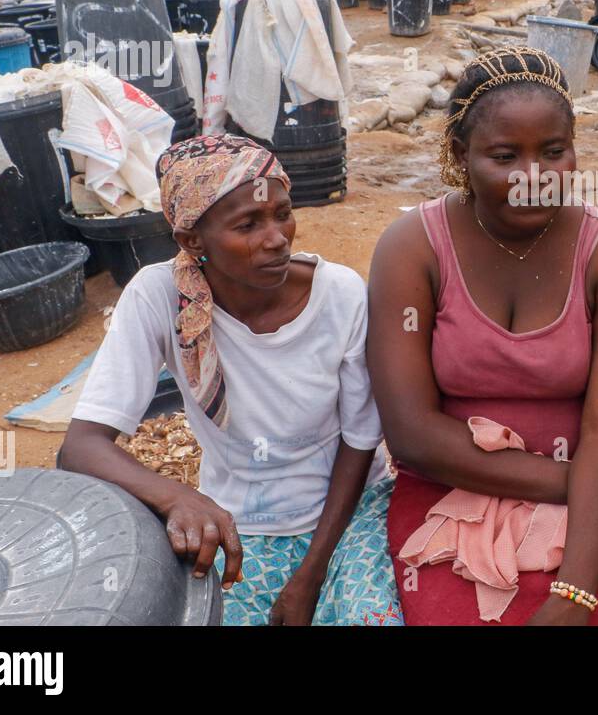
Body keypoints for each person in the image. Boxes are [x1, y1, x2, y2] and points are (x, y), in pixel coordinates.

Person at [367, 47, 598, 626]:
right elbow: (412, 434)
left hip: (596, 512)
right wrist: (583, 485)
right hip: (453, 498)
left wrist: (575, 592)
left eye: (554, 152)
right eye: (505, 156)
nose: (534, 179)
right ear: (461, 155)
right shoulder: (413, 247)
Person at [58, 135, 401, 626]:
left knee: (370, 616)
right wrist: (181, 497)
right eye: (248, 225)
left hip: (350, 512)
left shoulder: (341, 295)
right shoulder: (160, 297)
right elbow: (81, 446)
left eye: (282, 212)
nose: (278, 237)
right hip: (241, 522)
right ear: (192, 241)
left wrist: (311, 573)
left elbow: (360, 440)